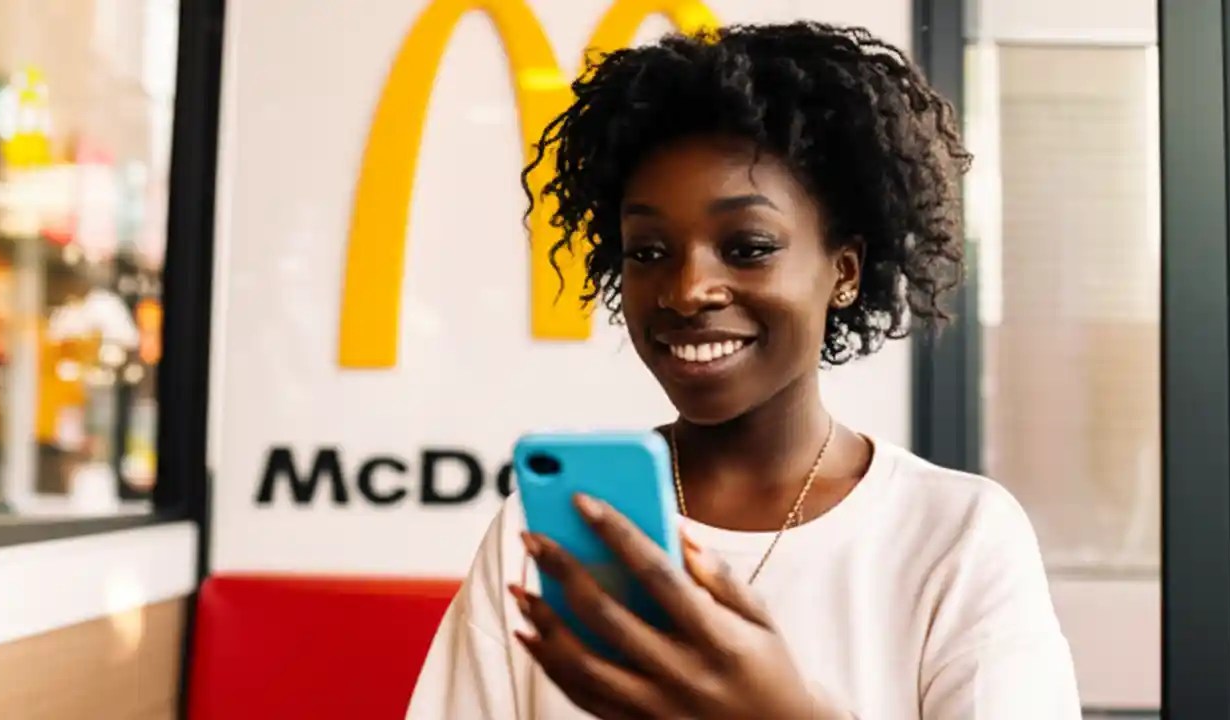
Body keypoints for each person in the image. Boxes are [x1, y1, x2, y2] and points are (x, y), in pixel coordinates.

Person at [406, 21, 1081, 719]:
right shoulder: (549, 540)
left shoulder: (953, 536)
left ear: (844, 271)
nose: (689, 288)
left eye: (749, 246)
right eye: (649, 251)